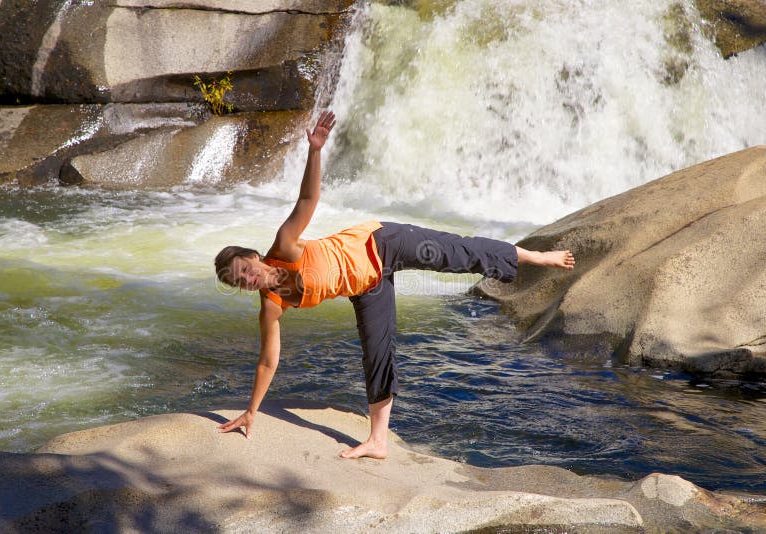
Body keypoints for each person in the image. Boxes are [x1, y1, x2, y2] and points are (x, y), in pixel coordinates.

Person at [214, 111, 575, 459]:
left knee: (454, 253)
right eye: (239, 281)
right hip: (366, 286)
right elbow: (267, 362)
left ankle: (536, 257)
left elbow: (308, 200)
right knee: (377, 353)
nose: (247, 278)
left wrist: (315, 150)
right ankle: (378, 441)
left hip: (381, 242)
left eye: (244, 268)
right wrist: (251, 412)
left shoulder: (285, 244)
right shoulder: (272, 305)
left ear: (255, 256)